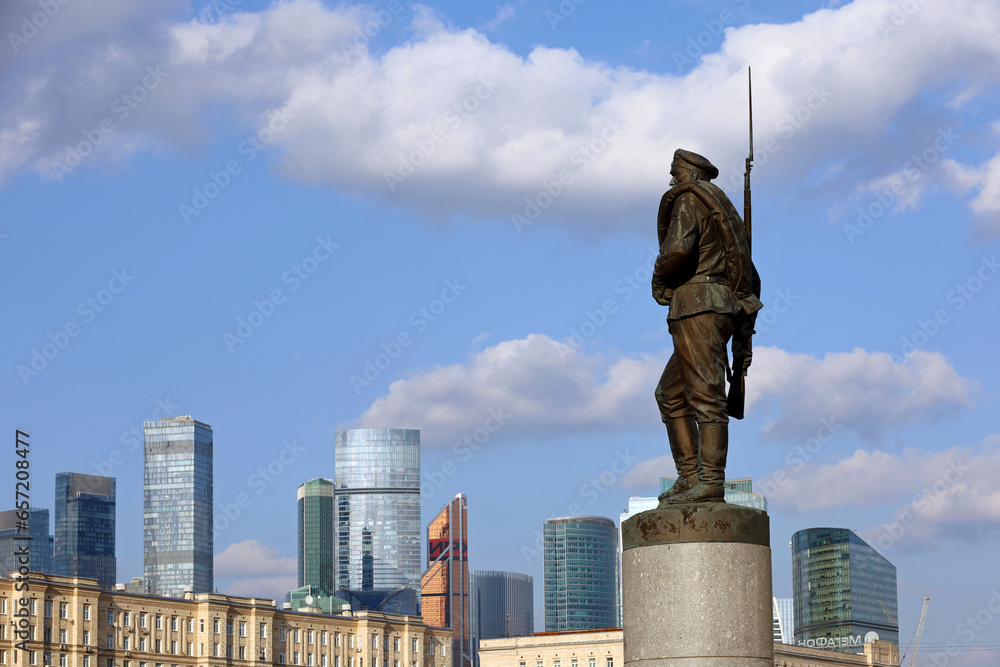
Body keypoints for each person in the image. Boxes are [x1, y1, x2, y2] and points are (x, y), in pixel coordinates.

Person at [652, 149, 761, 505]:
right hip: (717, 306)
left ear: (690, 175)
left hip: (698, 304)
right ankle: (689, 476)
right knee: (670, 395)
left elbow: (677, 251)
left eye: (675, 173)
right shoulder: (722, 208)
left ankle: (711, 480)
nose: (672, 181)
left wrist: (658, 277)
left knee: (706, 398)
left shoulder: (689, 199)